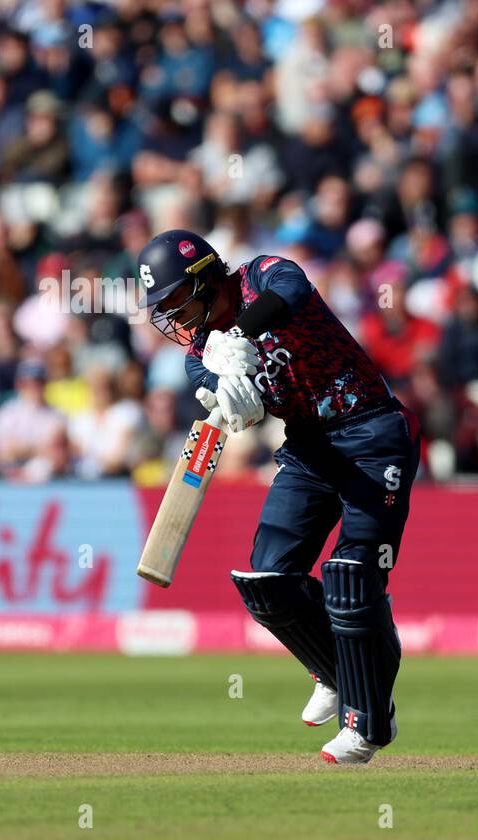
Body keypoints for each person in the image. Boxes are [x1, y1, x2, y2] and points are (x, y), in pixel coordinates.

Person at [136, 229, 420, 764]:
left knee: (352, 575)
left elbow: (288, 292)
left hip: (374, 433)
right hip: (310, 448)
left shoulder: (262, 275)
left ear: (205, 279)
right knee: (267, 581)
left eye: (175, 299)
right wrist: (236, 402)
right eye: (163, 307)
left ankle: (368, 723)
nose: (173, 317)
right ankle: (337, 670)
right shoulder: (199, 354)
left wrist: (238, 335)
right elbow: (238, 401)